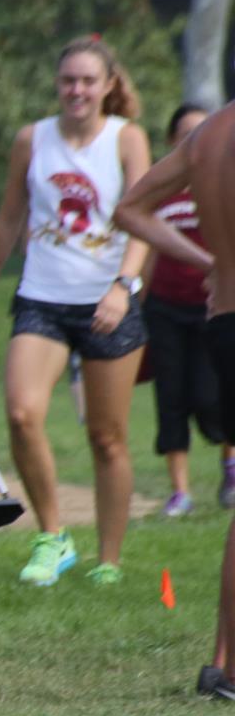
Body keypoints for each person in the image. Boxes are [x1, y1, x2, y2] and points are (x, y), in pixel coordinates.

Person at [0, 35, 150, 586]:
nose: (77, 90)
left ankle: (109, 560)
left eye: (88, 80)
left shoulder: (127, 139)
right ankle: (53, 537)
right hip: (42, 298)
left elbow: (141, 218)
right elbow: (7, 220)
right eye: (68, 80)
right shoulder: (33, 139)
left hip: (108, 303)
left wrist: (123, 286)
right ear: (57, 83)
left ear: (108, 85)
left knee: (107, 436)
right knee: (22, 414)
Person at [113, 103, 235, 699]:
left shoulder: (208, 134)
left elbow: (129, 209)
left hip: (223, 318)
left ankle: (224, 667)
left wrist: (212, 262)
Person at [134, 105, 231, 516]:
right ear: (177, 142)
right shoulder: (166, 194)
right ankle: (180, 491)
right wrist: (137, 302)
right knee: (171, 398)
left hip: (215, 308)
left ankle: (229, 466)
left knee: (213, 398)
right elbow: (147, 246)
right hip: (168, 307)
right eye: (188, 133)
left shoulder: (221, 180)